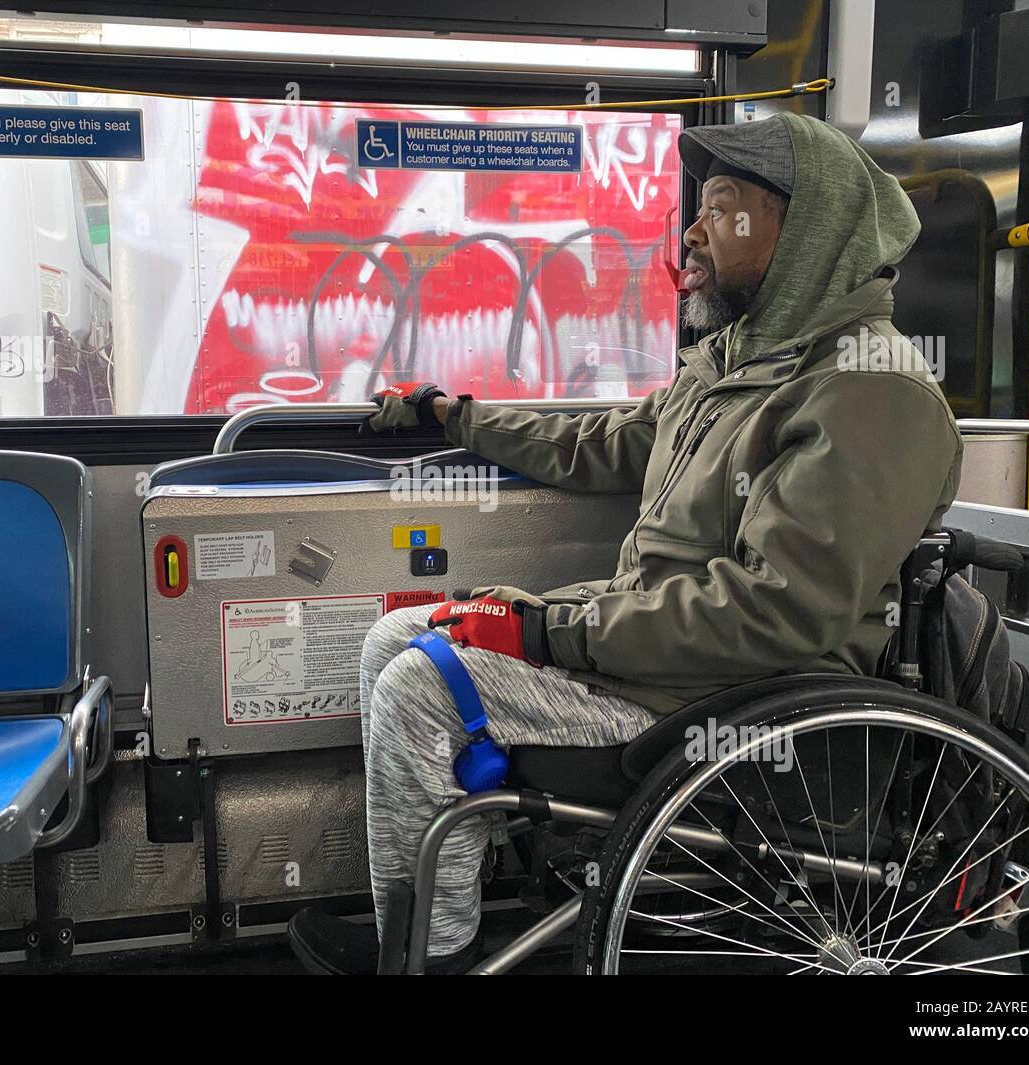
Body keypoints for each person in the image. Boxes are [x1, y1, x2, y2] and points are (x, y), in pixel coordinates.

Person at [287, 112, 963, 974]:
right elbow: (599, 442)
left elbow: (782, 613)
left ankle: (432, 958)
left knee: (423, 686)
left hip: (734, 704)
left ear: (806, 231)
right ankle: (423, 921)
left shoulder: (870, 389)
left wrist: (550, 633)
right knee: (405, 633)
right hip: (659, 656)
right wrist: (456, 415)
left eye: (722, 206)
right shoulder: (741, 362)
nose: (694, 229)